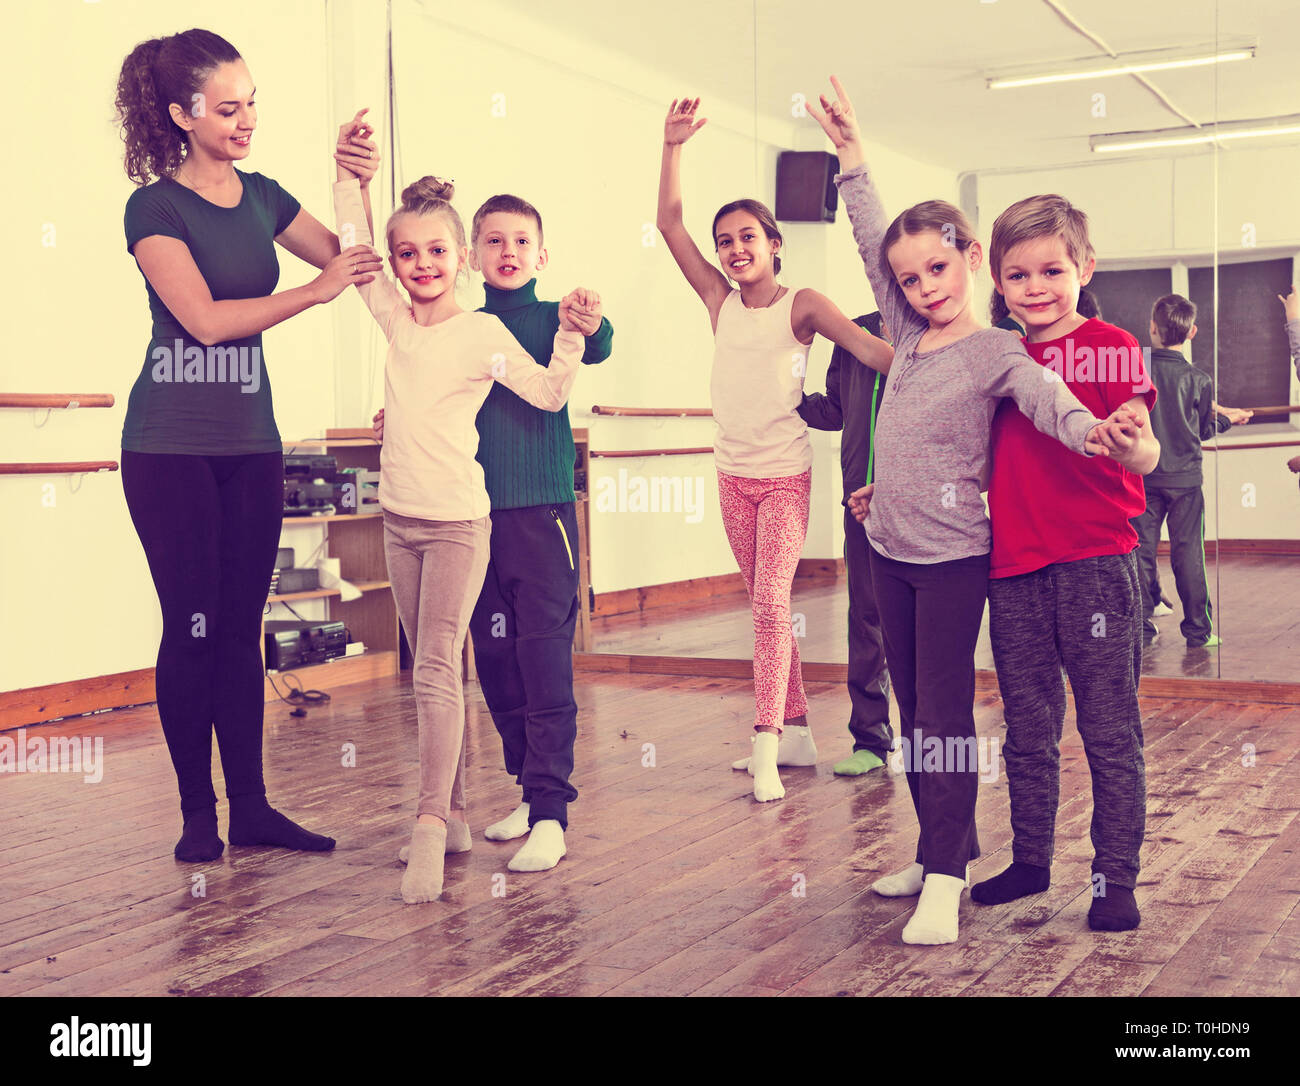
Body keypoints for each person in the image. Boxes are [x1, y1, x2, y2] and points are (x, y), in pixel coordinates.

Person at [808, 76, 1141, 945]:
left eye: (939, 269)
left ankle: (957, 880)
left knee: (959, 717)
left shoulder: (999, 348)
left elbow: (1043, 397)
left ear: (969, 265)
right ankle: (941, 846)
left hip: (973, 560)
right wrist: (851, 155)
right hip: (894, 549)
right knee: (918, 714)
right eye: (910, 278)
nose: (923, 287)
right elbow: (872, 236)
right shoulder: (906, 333)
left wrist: (1094, 430)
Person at [116, 28, 383, 862]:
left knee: (240, 629)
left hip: (252, 446)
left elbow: (355, 262)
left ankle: (254, 809)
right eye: (228, 109)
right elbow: (203, 322)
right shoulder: (154, 208)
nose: (246, 120)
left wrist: (350, 181)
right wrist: (312, 292)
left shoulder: (263, 196)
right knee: (191, 627)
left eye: (252, 102)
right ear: (180, 115)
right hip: (170, 448)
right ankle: (199, 814)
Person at [334, 166, 597, 902]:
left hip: (481, 519)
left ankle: (507, 814)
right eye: (408, 254)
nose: (423, 265)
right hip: (404, 519)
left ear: (460, 258)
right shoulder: (398, 318)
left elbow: (551, 386)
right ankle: (463, 809)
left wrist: (576, 333)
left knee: (476, 667)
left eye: (436, 252)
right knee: (467, 663)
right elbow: (356, 255)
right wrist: (348, 175)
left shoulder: (495, 327)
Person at [656, 96, 894, 804]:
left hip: (787, 477)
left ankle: (762, 743)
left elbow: (878, 354)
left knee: (768, 604)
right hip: (732, 476)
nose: (733, 250)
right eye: (725, 240)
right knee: (763, 605)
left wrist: (949, 360)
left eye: (747, 238)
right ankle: (796, 731)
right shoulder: (716, 299)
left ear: (773, 244)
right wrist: (672, 146)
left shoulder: (805, 305)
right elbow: (668, 224)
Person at [972, 195, 1163, 933]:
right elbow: (972, 453)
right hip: (1014, 568)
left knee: (1110, 729)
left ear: (1085, 266)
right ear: (997, 281)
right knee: (1026, 726)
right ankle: (1030, 861)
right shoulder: (997, 354)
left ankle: (1116, 878)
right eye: (1017, 274)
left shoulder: (1112, 346)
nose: (1036, 286)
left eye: (1052, 269)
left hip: (1096, 565)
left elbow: (1149, 451)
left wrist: (1129, 443)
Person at [796, 313, 893, 777]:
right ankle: (871, 739)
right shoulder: (854, 330)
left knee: (917, 625)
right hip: (859, 499)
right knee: (865, 616)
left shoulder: (935, 326)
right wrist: (789, 397)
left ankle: (926, 742)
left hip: (920, 501)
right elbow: (836, 409)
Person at [1132, 295, 1243, 649]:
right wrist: (1228, 419)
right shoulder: (1198, 378)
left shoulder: (1134, 369)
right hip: (1185, 481)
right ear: (1192, 332)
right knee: (1188, 554)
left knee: (1140, 552)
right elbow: (1202, 431)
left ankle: (1143, 627)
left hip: (1144, 478)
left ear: (1152, 327)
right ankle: (1199, 631)